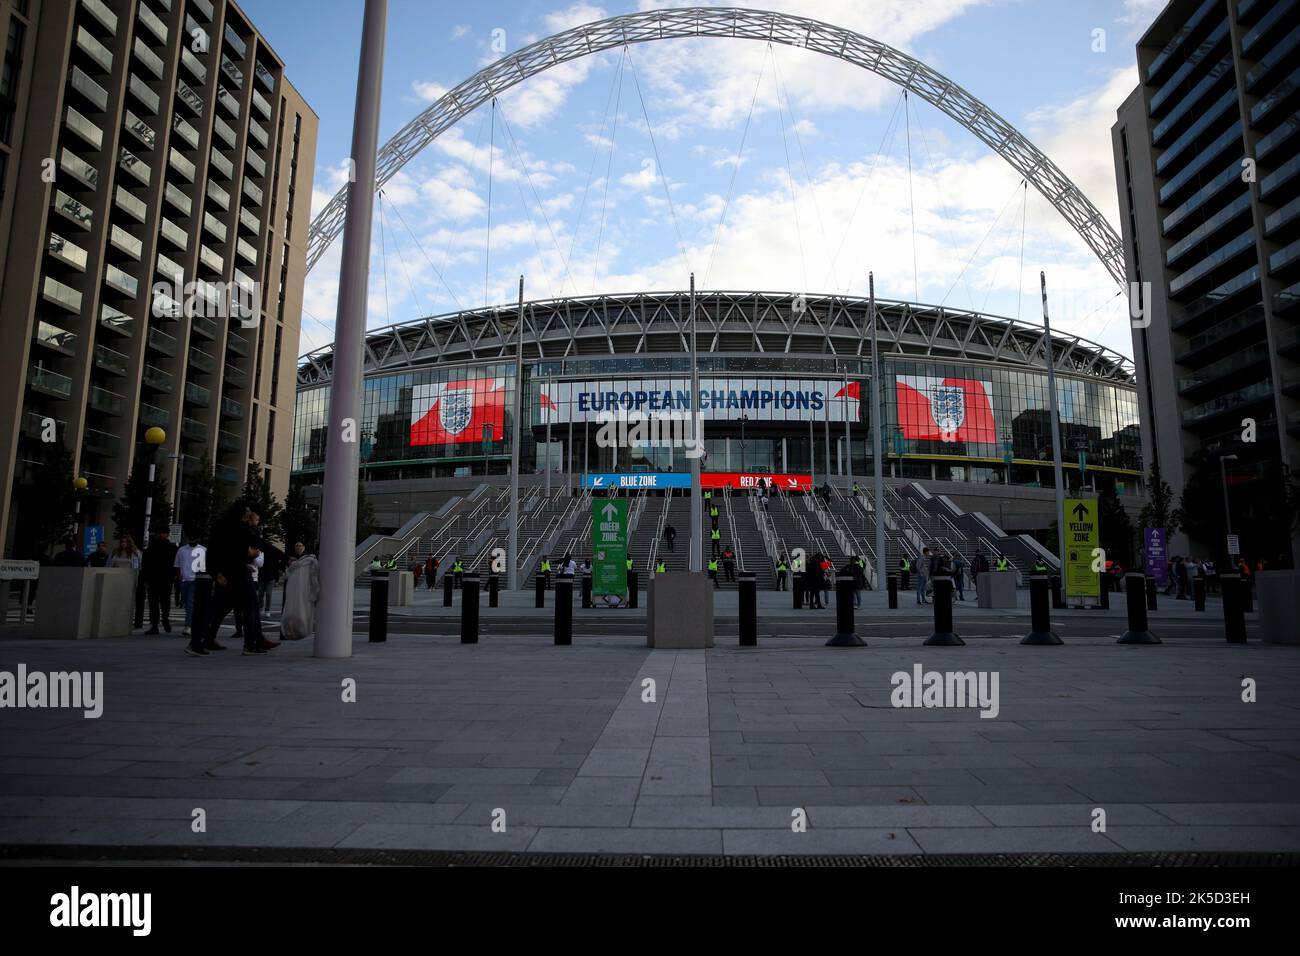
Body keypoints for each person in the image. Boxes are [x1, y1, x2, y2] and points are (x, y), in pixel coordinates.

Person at [187, 504, 268, 657]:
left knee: (220, 609)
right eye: (247, 515)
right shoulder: (235, 529)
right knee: (244, 607)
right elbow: (227, 552)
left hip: (228, 575)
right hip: (233, 575)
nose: (249, 518)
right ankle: (249, 644)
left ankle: (201, 641)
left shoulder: (225, 528)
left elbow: (217, 553)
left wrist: (217, 573)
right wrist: (247, 553)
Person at [280, 543, 320, 641]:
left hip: (301, 586)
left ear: (304, 547)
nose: (298, 548)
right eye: (296, 546)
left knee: (299, 608)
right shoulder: (294, 559)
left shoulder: (307, 560)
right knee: (292, 608)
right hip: (294, 586)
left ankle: (297, 630)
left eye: (300, 546)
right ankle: (291, 630)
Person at [141, 528, 178, 635]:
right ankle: (156, 624)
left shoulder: (171, 548)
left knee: (163, 601)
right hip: (156, 578)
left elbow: (175, 565)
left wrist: (174, 576)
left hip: (163, 578)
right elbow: (146, 565)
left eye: (164, 533)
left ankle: (163, 620)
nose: (162, 535)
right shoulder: (152, 549)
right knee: (155, 602)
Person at [174, 534, 200, 637]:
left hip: (195, 580)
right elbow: (178, 565)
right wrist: (179, 577)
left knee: (190, 602)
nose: (192, 539)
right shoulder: (182, 550)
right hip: (184, 580)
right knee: (186, 601)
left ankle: (188, 625)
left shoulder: (203, 550)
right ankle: (192, 621)